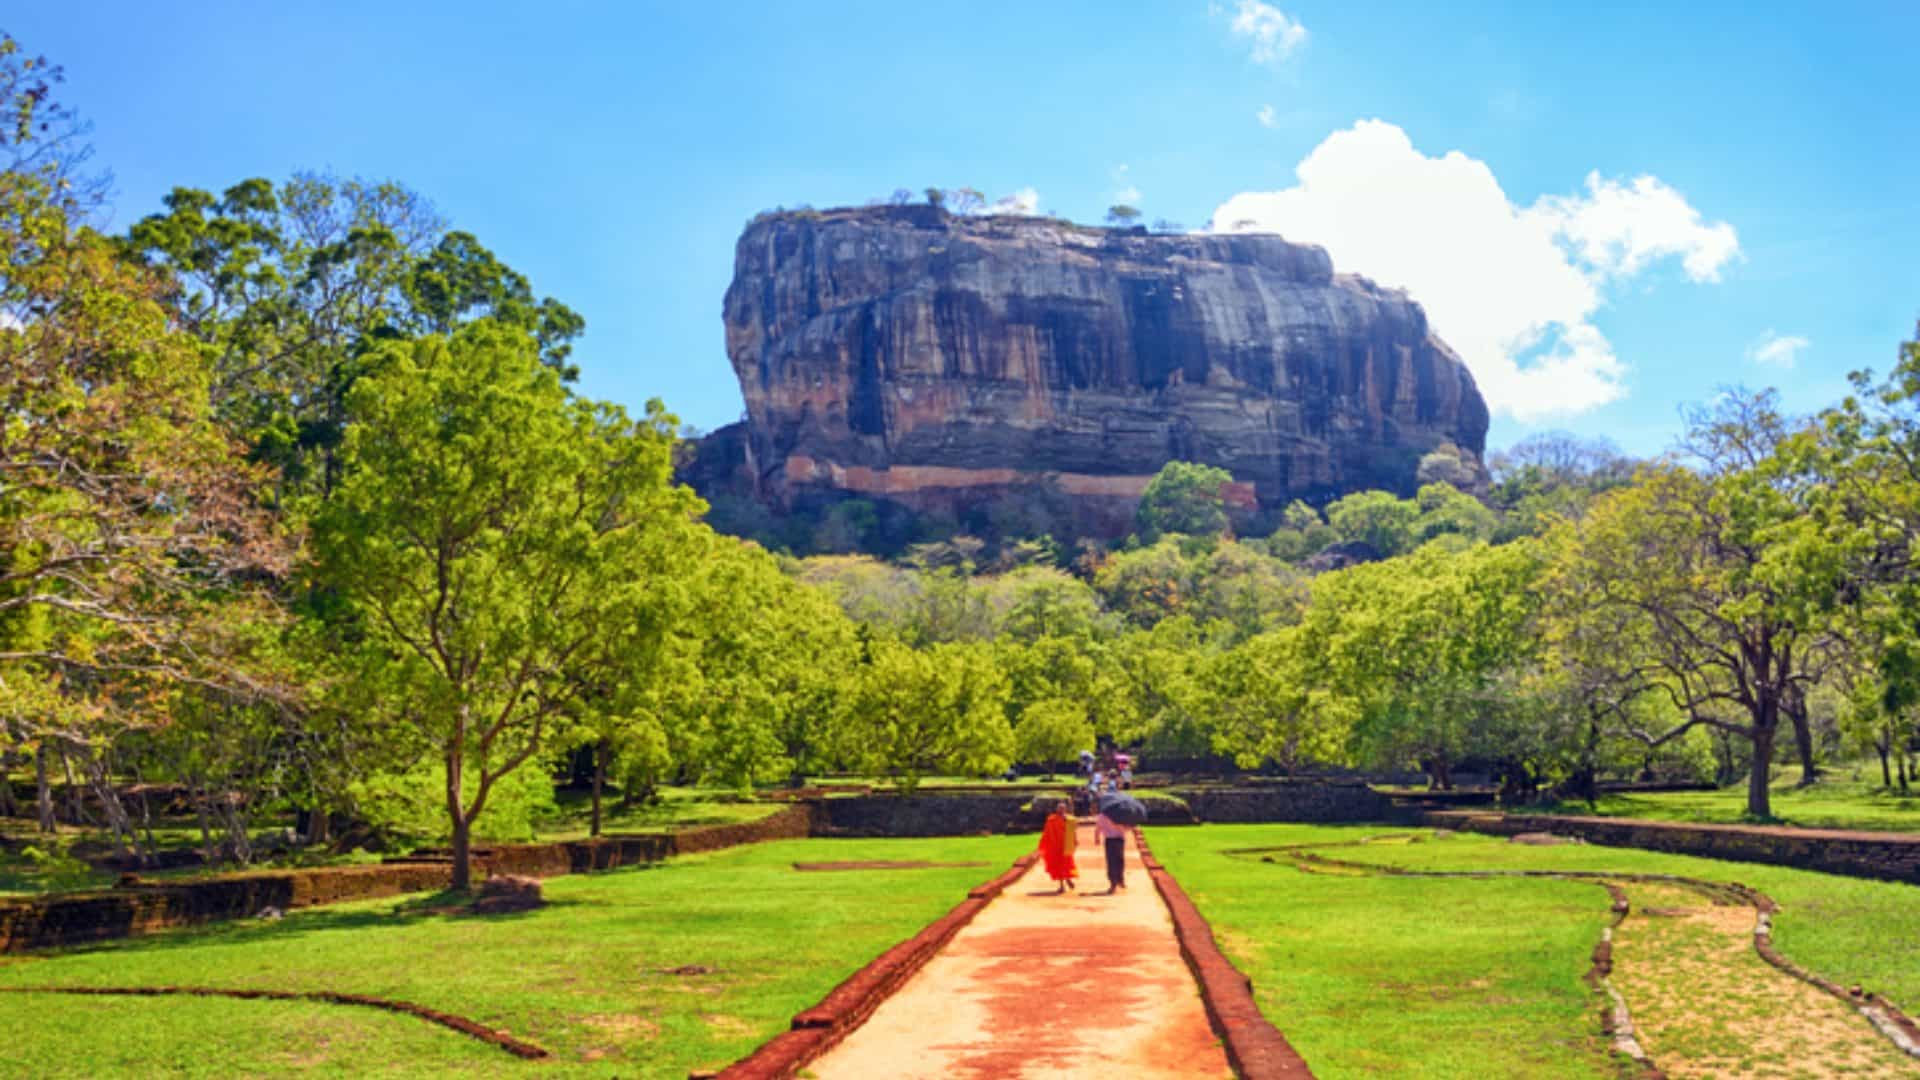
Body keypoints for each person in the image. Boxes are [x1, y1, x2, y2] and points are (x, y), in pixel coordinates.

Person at [1037, 800, 1077, 893]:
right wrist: (1043, 843)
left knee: (1067, 864)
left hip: (1066, 846)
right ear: (1056, 809)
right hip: (1055, 846)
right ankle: (1062, 885)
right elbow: (1046, 833)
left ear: (1065, 809)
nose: (1061, 810)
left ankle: (1067, 879)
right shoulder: (1052, 820)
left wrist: (1074, 841)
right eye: (1059, 808)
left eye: (1063, 808)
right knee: (1058, 866)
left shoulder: (1070, 820)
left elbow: (1073, 832)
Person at [1093, 806, 1127, 893]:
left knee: (1112, 861)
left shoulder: (1102, 816)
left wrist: (1097, 838)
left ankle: (1114, 883)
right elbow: (1127, 828)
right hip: (1119, 839)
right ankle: (1118, 880)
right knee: (1119, 860)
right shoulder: (1120, 814)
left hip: (1111, 840)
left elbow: (1097, 828)